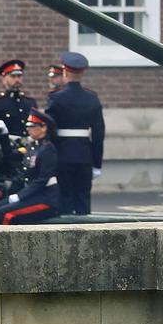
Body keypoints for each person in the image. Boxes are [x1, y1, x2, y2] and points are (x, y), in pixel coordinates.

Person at [45, 51, 104, 214]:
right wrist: (97, 162)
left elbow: (49, 129)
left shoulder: (56, 98)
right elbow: (98, 133)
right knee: (83, 201)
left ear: (65, 71)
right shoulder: (92, 98)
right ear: (82, 73)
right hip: (85, 155)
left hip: (62, 155)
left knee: (65, 200)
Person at [0, 112, 61, 224]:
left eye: (32, 126)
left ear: (44, 128)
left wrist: (20, 196)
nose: (28, 130)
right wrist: (4, 135)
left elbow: (42, 180)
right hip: (32, 194)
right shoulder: (31, 146)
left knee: (6, 214)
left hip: (45, 198)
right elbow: (10, 156)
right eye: (28, 126)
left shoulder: (48, 149)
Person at [0, 60, 36, 140]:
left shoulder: (30, 102)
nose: (17, 79)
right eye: (13, 76)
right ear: (4, 79)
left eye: (19, 76)